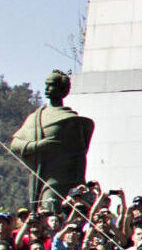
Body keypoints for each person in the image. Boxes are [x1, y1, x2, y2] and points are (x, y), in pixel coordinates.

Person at [7, 71, 94, 212]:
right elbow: (15, 144)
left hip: (68, 179)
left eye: (51, 85)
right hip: (46, 180)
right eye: (46, 85)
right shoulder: (35, 118)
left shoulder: (72, 121)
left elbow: (79, 155)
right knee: (48, 211)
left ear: (62, 89)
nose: (47, 89)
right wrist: (39, 145)